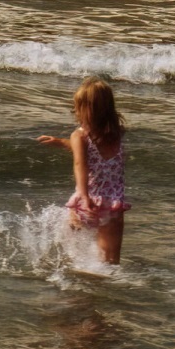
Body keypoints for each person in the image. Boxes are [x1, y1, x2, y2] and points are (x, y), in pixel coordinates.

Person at [37, 76, 129, 264]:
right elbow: (96, 154)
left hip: (87, 202)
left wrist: (84, 196)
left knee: (73, 255)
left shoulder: (79, 136)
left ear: (90, 110)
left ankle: (78, 280)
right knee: (110, 261)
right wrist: (62, 143)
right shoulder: (116, 134)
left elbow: (81, 164)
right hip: (113, 204)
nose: (76, 112)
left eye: (79, 107)